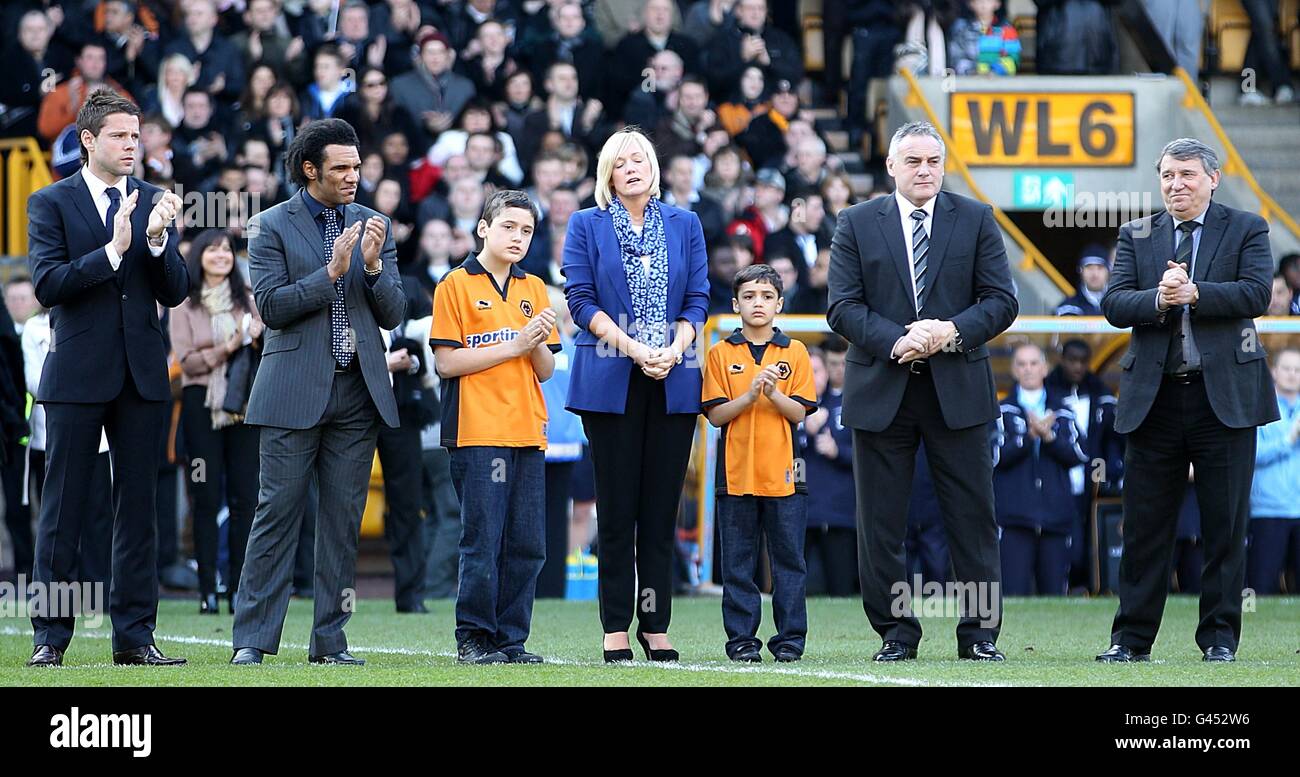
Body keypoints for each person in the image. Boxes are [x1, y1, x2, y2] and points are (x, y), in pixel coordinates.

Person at [826, 121, 1018, 662]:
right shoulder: (856, 222)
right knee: (881, 523)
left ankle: (980, 635)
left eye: (933, 161)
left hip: (958, 389)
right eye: (913, 161)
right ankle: (896, 633)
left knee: (973, 517)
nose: (925, 171)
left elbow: (1002, 301)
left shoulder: (977, 219)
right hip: (881, 389)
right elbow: (841, 305)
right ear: (891, 166)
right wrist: (901, 340)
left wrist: (948, 332)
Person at [230, 118, 406, 667]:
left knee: (342, 521)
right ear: (311, 170)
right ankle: (252, 642)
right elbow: (273, 308)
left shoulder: (375, 223)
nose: (354, 177)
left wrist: (373, 269)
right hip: (291, 390)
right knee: (276, 514)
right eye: (342, 169)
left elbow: (395, 311)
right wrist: (330, 273)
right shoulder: (269, 226)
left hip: (358, 391)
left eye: (357, 167)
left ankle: (330, 642)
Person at [1096, 138, 1277, 663]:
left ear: (1213, 178)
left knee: (1225, 526)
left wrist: (1196, 292)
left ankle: (1219, 639)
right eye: (1168, 175)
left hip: (1225, 401)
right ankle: (1130, 641)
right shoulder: (1137, 232)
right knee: (1146, 528)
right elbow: (1113, 303)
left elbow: (1256, 294)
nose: (1176, 185)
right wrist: (1157, 299)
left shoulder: (1247, 227)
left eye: (1187, 175)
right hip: (1153, 400)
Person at [25, 88, 188, 668]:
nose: (131, 146)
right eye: (120, 135)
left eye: (136, 136)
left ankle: (135, 639)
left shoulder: (155, 199)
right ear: (88, 140)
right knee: (62, 509)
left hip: (142, 374)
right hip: (76, 373)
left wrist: (155, 240)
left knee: (138, 511)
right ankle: (50, 637)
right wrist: (115, 251)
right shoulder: (50, 202)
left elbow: (176, 289)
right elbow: (47, 286)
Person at [562, 128, 710, 663]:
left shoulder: (686, 223)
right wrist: (633, 347)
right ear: (608, 173)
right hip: (611, 379)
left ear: (655, 168)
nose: (632, 168)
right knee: (617, 510)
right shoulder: (586, 224)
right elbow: (579, 300)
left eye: (640, 159)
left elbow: (698, 298)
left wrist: (673, 347)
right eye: (621, 162)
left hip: (674, 375)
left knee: (660, 509)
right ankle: (614, 627)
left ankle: (656, 623)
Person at [430, 190, 560, 663]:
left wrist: (536, 342)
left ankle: (512, 638)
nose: (518, 237)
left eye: (526, 230)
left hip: (527, 428)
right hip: (476, 430)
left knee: (528, 544)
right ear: (484, 228)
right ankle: (474, 637)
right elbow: (447, 363)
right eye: (508, 226)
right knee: (482, 540)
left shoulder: (535, 287)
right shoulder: (454, 284)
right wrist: (515, 344)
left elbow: (544, 369)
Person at [703, 264, 817, 662]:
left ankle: (789, 641)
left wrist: (771, 394)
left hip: (785, 476)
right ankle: (742, 642)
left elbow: (799, 413)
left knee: (789, 562)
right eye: (749, 296)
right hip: (735, 477)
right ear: (735, 304)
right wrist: (750, 396)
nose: (758, 303)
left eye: (767, 297)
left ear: (779, 304)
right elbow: (716, 415)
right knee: (737, 565)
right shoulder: (720, 352)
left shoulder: (795, 351)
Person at [169, 229, 264, 615]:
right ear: (199, 257)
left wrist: (255, 336)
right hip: (200, 406)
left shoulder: (249, 302)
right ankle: (208, 588)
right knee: (205, 498)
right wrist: (228, 347)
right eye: (213, 249)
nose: (222, 255)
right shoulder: (184, 305)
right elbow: (187, 361)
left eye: (227, 249)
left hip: (243, 405)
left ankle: (239, 588)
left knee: (245, 498)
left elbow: (263, 345)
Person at [993, 343, 1088, 596]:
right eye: (1021, 364)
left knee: (1055, 599)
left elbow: (1080, 454)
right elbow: (993, 457)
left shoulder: (1063, 410)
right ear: (1013, 370)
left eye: (1034, 363)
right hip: (1014, 519)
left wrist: (1050, 438)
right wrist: (1028, 437)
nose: (1028, 369)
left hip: (1056, 519)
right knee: (1013, 597)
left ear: (1045, 368)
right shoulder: (1001, 411)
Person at [803, 336, 857, 596]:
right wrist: (802, 428)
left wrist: (838, 451)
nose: (813, 378)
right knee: (797, 592)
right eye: (807, 371)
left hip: (840, 515)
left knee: (841, 594)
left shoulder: (850, 404)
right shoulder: (789, 408)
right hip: (799, 514)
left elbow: (869, 457)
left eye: (817, 371)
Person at [1247, 347, 1300, 594]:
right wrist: (1288, 440)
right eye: (1287, 369)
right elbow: (1250, 456)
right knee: (1262, 589)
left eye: (1298, 370)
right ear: (1273, 372)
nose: (1292, 374)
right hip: (1268, 511)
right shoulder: (1259, 408)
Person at [1055, 245, 1111, 316]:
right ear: (1080, 270)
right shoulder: (1067, 308)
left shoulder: (1119, 305)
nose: (1095, 274)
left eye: (1100, 268)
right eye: (1089, 268)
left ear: (1108, 271)